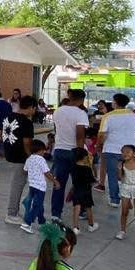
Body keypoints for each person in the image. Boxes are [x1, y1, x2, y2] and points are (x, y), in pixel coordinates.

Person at [49, 89, 89, 219]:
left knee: (59, 183)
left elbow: (57, 129)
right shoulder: (81, 113)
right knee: (79, 183)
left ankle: (56, 214)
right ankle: (81, 210)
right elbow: (80, 135)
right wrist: (81, 153)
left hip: (59, 150)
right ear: (82, 100)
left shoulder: (58, 111)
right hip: (74, 151)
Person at [98, 93, 135, 209]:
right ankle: (129, 199)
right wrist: (131, 141)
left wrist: (100, 144)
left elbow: (101, 135)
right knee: (128, 175)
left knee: (112, 174)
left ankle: (115, 200)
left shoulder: (108, 116)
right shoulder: (134, 116)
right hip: (129, 151)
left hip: (111, 149)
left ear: (115, 102)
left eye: (113, 101)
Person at [2, 95, 37, 223]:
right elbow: (27, 142)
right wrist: (31, 157)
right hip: (21, 157)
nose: (34, 111)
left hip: (9, 154)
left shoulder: (8, 117)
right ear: (31, 107)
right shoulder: (27, 122)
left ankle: (13, 211)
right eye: (34, 108)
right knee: (17, 185)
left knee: (16, 184)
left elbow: (2, 134)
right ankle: (11, 214)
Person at [22, 139, 54, 234]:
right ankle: (27, 223)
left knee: (39, 204)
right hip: (40, 187)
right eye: (43, 150)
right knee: (37, 205)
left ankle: (42, 222)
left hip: (32, 186)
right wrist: (55, 181)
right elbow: (47, 173)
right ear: (39, 150)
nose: (44, 152)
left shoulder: (29, 159)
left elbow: (25, 170)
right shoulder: (41, 160)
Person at [70, 148, 97, 232]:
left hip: (77, 190)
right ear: (85, 157)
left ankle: (76, 227)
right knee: (88, 207)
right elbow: (92, 181)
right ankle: (91, 225)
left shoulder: (73, 167)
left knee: (76, 207)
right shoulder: (87, 169)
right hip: (86, 191)